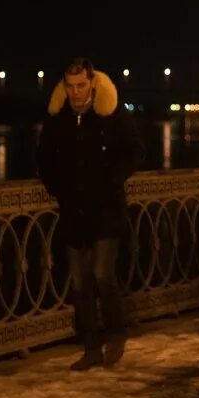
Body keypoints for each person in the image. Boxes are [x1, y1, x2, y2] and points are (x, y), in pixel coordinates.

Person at [37, 58, 144, 371]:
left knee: (101, 275)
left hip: (107, 210)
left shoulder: (111, 114)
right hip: (74, 212)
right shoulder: (58, 119)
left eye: (81, 85)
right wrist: (55, 185)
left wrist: (112, 178)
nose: (75, 92)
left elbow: (135, 150)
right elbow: (43, 156)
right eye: (70, 86)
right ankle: (91, 347)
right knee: (80, 283)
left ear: (92, 83)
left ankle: (115, 334)